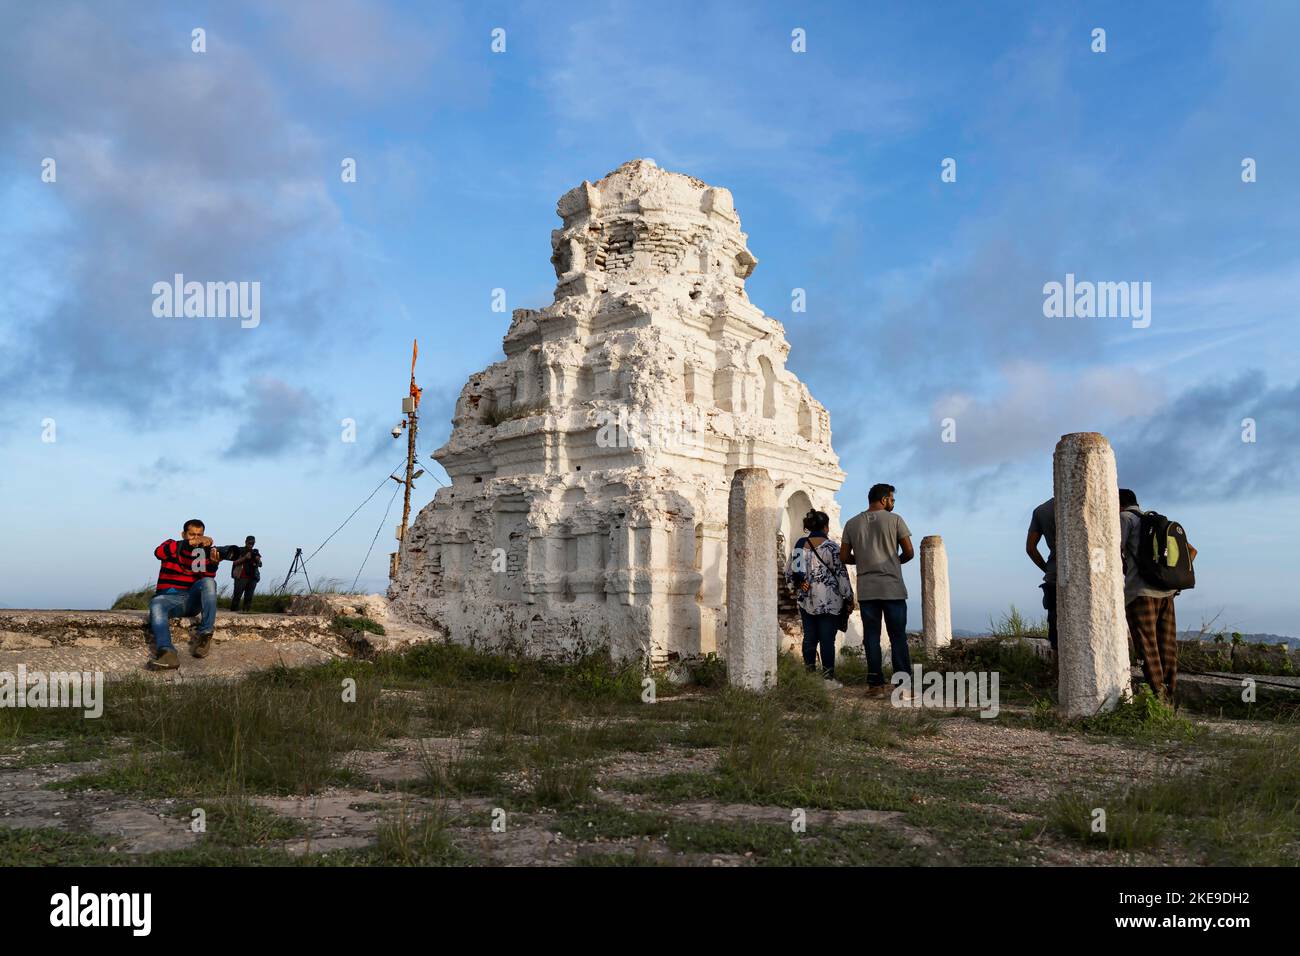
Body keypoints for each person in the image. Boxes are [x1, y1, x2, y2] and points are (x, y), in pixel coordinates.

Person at [1120, 489, 1196, 702]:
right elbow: (1191, 551)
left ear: (1118, 503)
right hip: (1166, 592)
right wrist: (1168, 576)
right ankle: (1170, 699)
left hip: (1140, 594)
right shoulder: (1155, 521)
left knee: (1147, 648)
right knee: (1167, 648)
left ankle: (1158, 700)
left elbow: (1113, 550)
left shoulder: (1124, 518)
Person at [841, 483, 914, 693]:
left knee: (871, 637)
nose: (892, 503)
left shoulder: (852, 523)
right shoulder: (896, 520)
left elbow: (844, 556)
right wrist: (892, 562)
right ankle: (903, 684)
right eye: (892, 499)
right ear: (884, 499)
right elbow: (909, 552)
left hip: (867, 589)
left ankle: (875, 685)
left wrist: (865, 561)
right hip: (892, 588)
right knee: (898, 636)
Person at [784, 508, 854, 685]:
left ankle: (809, 676)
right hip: (829, 602)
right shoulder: (831, 547)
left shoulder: (800, 545)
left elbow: (791, 572)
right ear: (825, 527)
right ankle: (828, 678)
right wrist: (849, 597)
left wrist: (798, 586)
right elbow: (840, 574)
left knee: (809, 638)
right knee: (827, 640)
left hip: (806, 601)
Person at [147, 518, 222, 669]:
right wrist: (188, 544)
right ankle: (167, 653)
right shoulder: (172, 544)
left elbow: (205, 581)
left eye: (199, 534)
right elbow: (158, 553)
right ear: (183, 534)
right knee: (156, 603)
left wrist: (213, 564)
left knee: (209, 582)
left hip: (191, 601)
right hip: (169, 599)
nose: (196, 538)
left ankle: (205, 635)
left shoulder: (201, 553)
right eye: (192, 534)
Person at [1026, 497, 1058, 652]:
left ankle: (1059, 672)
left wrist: (1047, 569)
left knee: (1057, 636)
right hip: (1090, 577)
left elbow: (1030, 548)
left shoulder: (1041, 511)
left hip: (1054, 577)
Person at [229, 535, 262, 612]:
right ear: (246, 542)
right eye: (249, 543)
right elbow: (234, 562)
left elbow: (260, 565)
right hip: (241, 576)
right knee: (237, 596)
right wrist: (245, 558)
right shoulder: (239, 550)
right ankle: (233, 612)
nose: (251, 544)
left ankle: (246, 611)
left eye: (252, 543)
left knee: (249, 597)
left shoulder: (255, 552)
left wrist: (258, 560)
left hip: (252, 577)